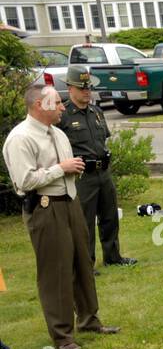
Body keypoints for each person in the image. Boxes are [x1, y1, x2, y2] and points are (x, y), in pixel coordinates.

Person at [2, 82, 119, 349]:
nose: (61, 107)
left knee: (82, 261)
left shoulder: (57, 134)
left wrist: (71, 169)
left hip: (69, 201)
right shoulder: (21, 138)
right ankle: (62, 335)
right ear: (37, 106)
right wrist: (60, 169)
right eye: (55, 103)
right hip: (45, 207)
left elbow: (63, 167)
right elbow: (24, 180)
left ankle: (89, 319)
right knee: (56, 271)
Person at [58, 70, 136, 268]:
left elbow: (102, 141)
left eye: (89, 87)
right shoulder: (64, 115)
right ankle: (86, 264)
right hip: (83, 175)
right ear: (70, 88)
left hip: (104, 171)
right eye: (82, 88)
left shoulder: (96, 112)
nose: (87, 91)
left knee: (109, 217)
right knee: (84, 222)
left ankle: (113, 257)